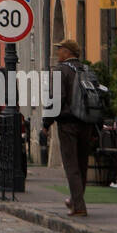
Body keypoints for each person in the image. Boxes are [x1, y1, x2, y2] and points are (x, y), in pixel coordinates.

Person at [43, 37, 95, 217]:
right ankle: (75, 200)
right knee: (82, 166)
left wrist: (46, 123)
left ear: (68, 52)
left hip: (68, 123)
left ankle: (79, 206)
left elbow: (56, 98)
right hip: (87, 123)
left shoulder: (61, 71)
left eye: (60, 49)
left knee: (71, 165)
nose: (58, 52)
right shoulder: (86, 69)